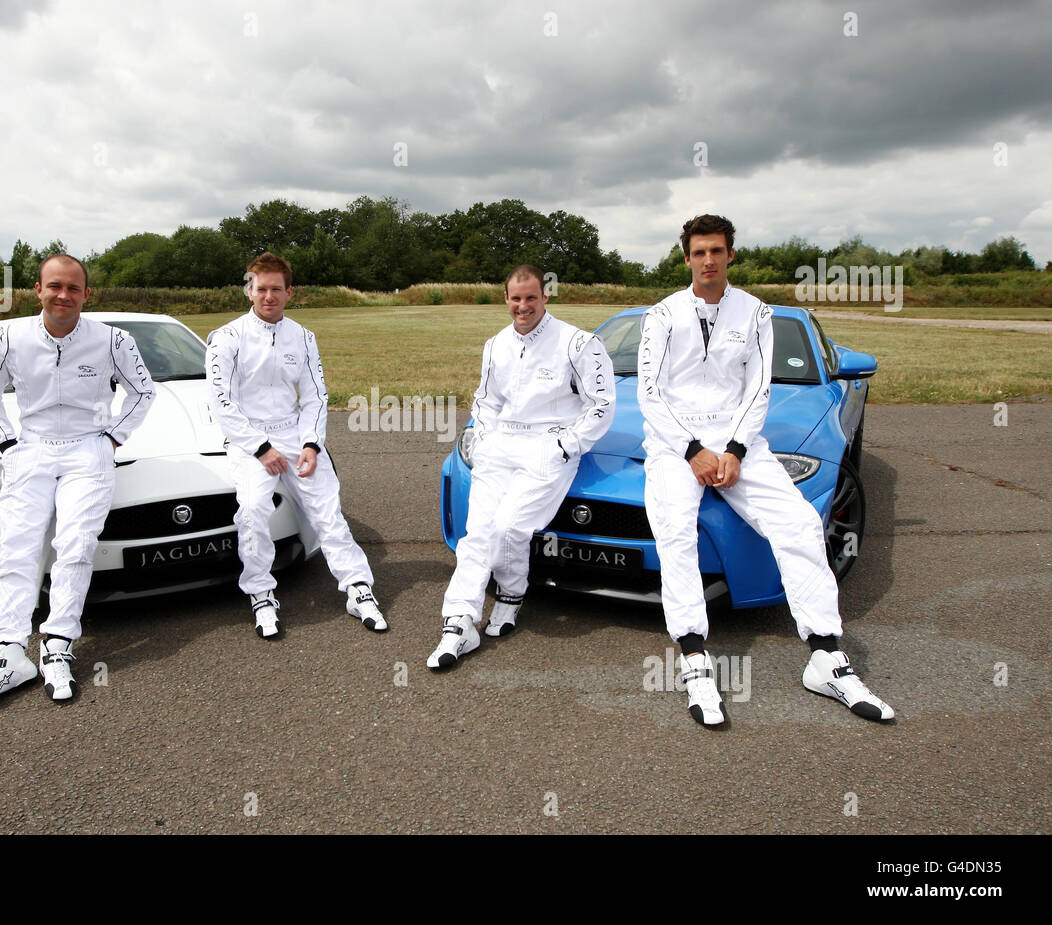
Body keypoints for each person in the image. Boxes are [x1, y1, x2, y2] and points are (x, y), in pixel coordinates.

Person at [638, 214, 894, 725]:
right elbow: (650, 392)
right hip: (674, 444)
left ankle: (825, 656)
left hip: (740, 441)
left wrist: (733, 450)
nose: (708, 260)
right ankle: (694, 660)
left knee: (799, 524)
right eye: (698, 252)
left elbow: (759, 389)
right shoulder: (662, 315)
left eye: (716, 251)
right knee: (674, 531)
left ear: (731, 255)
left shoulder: (756, 313)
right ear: (686, 257)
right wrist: (693, 451)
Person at [0, 253, 156, 706]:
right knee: (18, 546)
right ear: (38, 290)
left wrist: (112, 438)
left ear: (87, 294)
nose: (63, 295)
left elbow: (143, 390)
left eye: (73, 288)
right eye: (55, 286)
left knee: (75, 545)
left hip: (89, 448)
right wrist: (8, 443)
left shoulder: (112, 339)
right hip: (31, 447)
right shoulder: (8, 334)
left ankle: (57, 645)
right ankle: (8, 653)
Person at [428, 265, 615, 669]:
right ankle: (457, 622)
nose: (523, 306)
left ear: (545, 296)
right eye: (516, 298)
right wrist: (485, 435)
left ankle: (511, 596)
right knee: (477, 532)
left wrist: (568, 444)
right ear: (506, 299)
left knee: (509, 526)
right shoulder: (495, 344)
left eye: (531, 297)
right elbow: (486, 398)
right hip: (500, 445)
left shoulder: (578, 342)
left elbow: (601, 404)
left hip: (549, 445)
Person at [205, 252, 385, 639]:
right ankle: (262, 593)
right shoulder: (227, 338)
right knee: (253, 511)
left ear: (289, 292)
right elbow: (221, 403)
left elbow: (316, 397)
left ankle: (357, 588)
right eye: (261, 289)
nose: (268, 296)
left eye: (276, 289)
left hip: (294, 433)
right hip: (249, 438)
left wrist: (310, 444)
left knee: (327, 512)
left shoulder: (303, 337)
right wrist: (260, 448)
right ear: (249, 291)